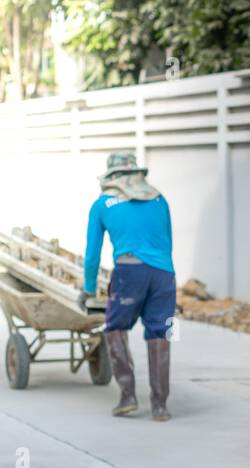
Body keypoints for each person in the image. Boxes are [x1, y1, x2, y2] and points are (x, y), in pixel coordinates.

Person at [84, 152, 175, 421]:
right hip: (164, 274)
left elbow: (92, 255)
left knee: (115, 327)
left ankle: (127, 396)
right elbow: (168, 242)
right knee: (161, 332)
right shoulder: (159, 199)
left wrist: (89, 289)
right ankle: (160, 406)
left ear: (111, 177)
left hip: (129, 272)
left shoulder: (102, 204)